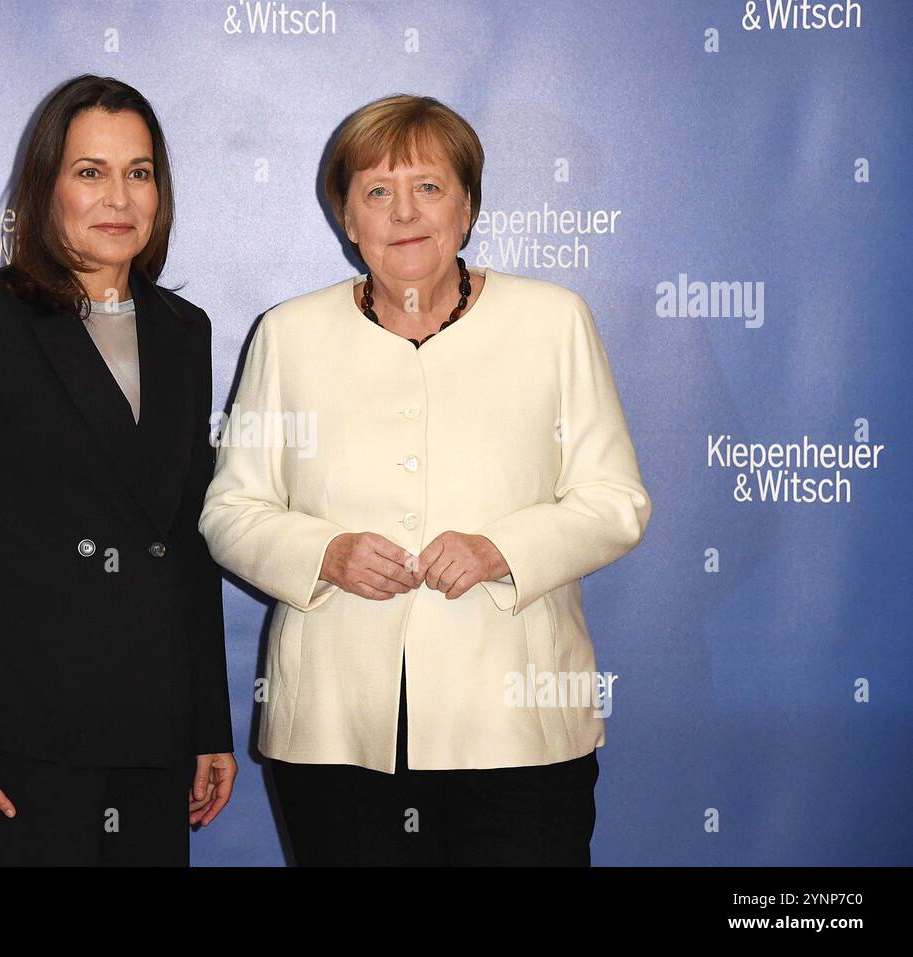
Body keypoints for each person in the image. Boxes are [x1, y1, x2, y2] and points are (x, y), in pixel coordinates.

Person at [198, 94, 651, 866]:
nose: (404, 212)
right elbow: (230, 511)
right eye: (376, 191)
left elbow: (617, 501)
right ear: (348, 218)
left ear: (467, 205)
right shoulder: (289, 334)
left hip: (521, 729)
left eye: (430, 187)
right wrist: (325, 552)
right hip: (339, 733)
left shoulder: (553, 321)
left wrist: (500, 548)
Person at [0, 75, 236, 866]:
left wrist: (208, 724)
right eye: (91, 171)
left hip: (153, 732)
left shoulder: (186, 331)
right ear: (46, 186)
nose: (119, 196)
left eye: (139, 171)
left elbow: (187, 542)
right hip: (18, 740)